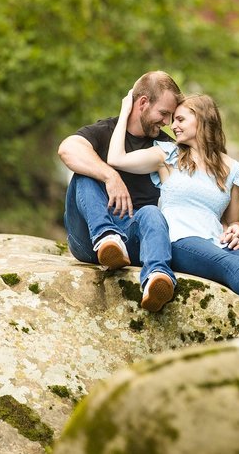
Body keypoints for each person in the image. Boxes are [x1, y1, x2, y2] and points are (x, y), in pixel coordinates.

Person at [106, 90, 239, 335]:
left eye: (181, 119)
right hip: (177, 240)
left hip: (214, 242)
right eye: (173, 120)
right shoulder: (167, 155)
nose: (173, 126)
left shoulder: (234, 170)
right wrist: (125, 110)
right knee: (230, 264)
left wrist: (236, 229)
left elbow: (233, 220)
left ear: (202, 120)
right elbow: (116, 159)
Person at [58, 71, 182, 313]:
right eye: (164, 113)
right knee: (85, 172)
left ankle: (157, 280)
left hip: (134, 240)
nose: (167, 122)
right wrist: (110, 175)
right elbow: (67, 149)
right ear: (143, 103)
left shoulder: (166, 148)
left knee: (150, 213)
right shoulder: (106, 130)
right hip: (89, 241)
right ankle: (106, 238)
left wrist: (230, 224)